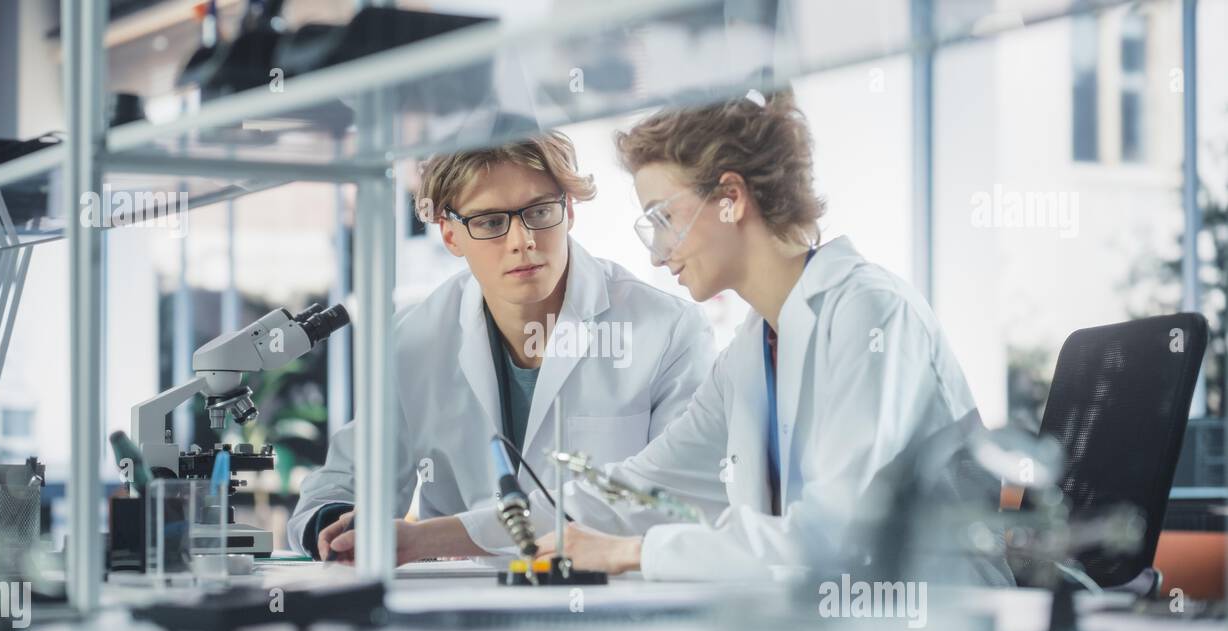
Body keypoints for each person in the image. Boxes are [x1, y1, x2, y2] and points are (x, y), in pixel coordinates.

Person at [532, 90, 1013, 585]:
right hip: (827, 626)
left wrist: (631, 552)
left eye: (663, 218)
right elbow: (640, 487)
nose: (657, 254)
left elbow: (839, 529)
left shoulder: (870, 312)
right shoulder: (749, 350)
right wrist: (472, 530)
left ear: (730, 198)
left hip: (938, 626)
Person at [287, 130, 716, 563]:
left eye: (541, 211)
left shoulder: (667, 330)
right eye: (491, 222)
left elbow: (674, 503)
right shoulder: (414, 339)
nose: (521, 240)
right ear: (450, 236)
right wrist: (340, 524)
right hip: (467, 609)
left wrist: (430, 537)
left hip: (615, 604)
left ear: (568, 211)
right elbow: (345, 481)